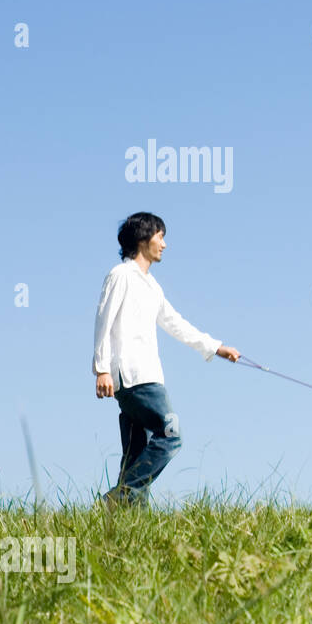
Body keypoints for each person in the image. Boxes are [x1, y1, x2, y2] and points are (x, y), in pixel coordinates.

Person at [92, 212, 240, 509]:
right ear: (143, 239)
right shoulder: (121, 275)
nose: (165, 244)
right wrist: (101, 369)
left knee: (137, 451)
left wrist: (215, 347)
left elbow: (175, 323)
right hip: (134, 377)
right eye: (160, 236)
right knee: (171, 435)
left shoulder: (151, 286)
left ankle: (129, 522)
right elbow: (103, 321)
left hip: (147, 374)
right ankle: (120, 496)